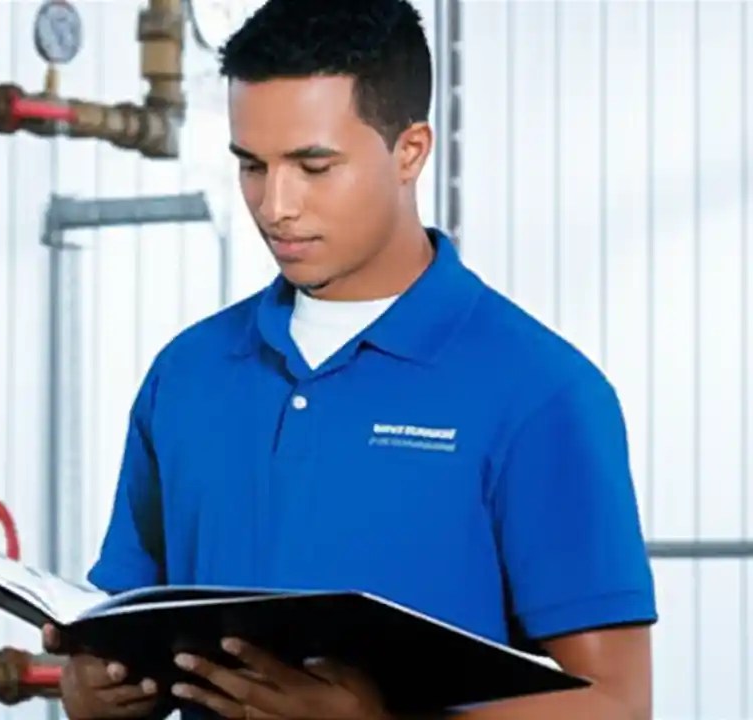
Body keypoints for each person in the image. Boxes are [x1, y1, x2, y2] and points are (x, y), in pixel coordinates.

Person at [43, 1, 657, 718]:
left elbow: (616, 704)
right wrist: (92, 692)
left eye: (313, 166)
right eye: (252, 166)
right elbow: (125, 626)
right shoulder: (186, 375)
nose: (275, 206)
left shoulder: (542, 394)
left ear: (410, 151)